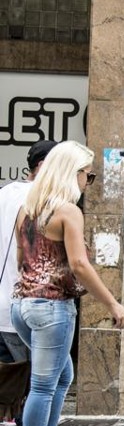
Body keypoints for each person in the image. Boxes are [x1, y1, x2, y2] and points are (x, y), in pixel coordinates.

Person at [9, 141, 124, 426]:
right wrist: (113, 304)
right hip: (51, 309)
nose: (87, 181)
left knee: (62, 376)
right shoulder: (67, 211)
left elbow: (20, 258)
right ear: (71, 172)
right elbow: (79, 264)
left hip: (23, 306)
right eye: (86, 174)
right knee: (45, 386)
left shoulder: (28, 210)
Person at [0, 141, 57, 365]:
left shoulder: (4, 193)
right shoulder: (44, 201)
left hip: (5, 311)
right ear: (42, 167)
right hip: (28, 311)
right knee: (39, 388)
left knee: (8, 392)